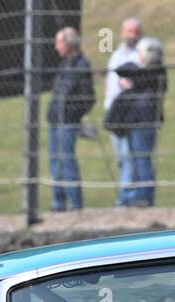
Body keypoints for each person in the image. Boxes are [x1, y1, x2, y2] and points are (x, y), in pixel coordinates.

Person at [110, 36, 167, 208]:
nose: (140, 57)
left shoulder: (155, 72)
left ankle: (145, 197)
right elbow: (122, 70)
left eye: (142, 53)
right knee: (134, 160)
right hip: (135, 121)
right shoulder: (144, 72)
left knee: (142, 160)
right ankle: (134, 196)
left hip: (144, 123)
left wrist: (132, 83)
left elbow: (135, 78)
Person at [47, 26, 94, 212]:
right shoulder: (63, 64)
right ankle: (58, 203)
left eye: (59, 43)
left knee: (67, 161)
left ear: (68, 44)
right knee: (54, 162)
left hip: (68, 122)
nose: (56, 47)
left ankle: (75, 203)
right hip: (55, 120)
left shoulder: (82, 65)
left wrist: (74, 114)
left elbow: (88, 97)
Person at [104, 17, 142, 206]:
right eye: (129, 31)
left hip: (129, 113)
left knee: (128, 156)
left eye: (135, 32)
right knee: (120, 158)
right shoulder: (116, 55)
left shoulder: (139, 55)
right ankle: (126, 193)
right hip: (114, 113)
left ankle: (126, 198)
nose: (132, 36)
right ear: (122, 33)